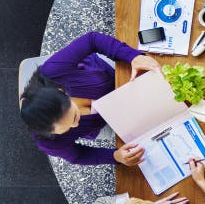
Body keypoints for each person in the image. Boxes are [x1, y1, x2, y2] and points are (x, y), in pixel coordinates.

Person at [19, 31, 160, 166]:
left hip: (116, 77)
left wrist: (133, 57)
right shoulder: (48, 143)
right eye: (67, 128)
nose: (76, 125)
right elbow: (78, 156)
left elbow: (92, 39)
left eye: (74, 116)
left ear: (61, 90)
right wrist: (115, 156)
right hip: (110, 119)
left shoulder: (53, 71)